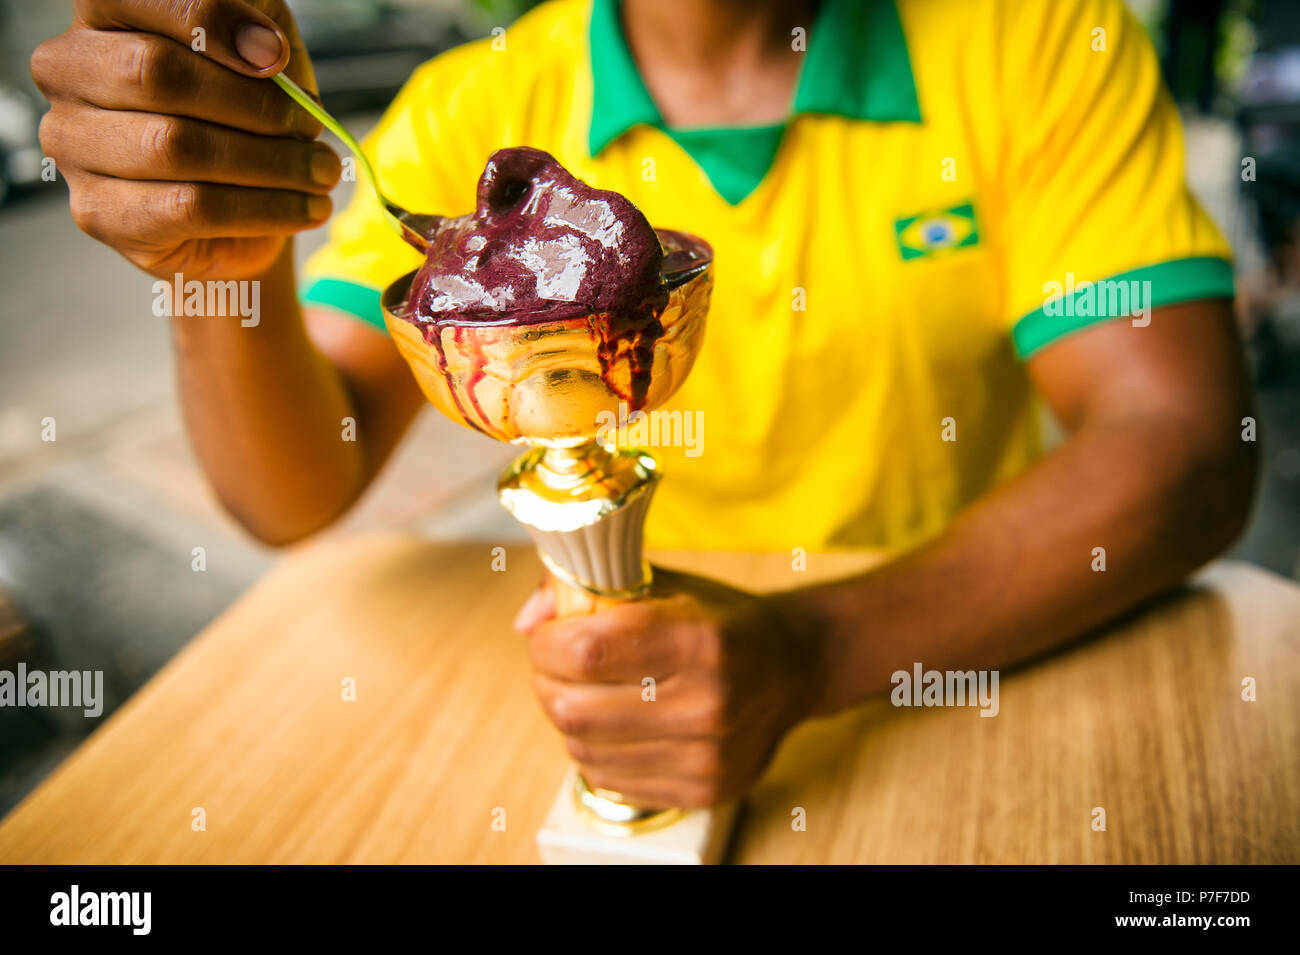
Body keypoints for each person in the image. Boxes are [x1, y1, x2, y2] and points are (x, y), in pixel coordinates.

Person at [32, 0, 1256, 810]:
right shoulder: (475, 100)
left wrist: (816, 649)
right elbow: (293, 486)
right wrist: (218, 258)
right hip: (574, 709)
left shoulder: (1033, 40)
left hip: (963, 670)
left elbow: (1182, 440)